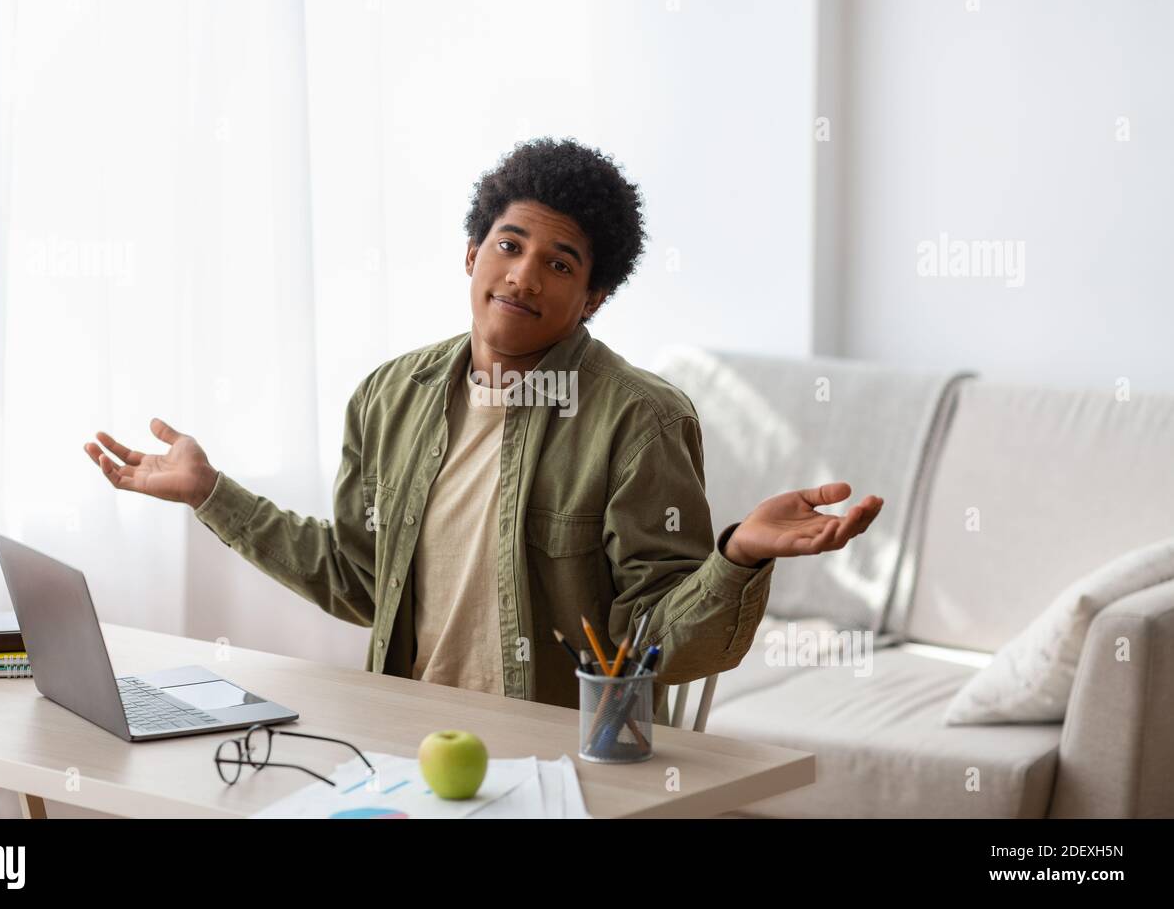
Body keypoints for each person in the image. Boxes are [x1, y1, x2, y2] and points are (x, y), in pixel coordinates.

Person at [84, 137, 883, 723]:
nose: (524, 275)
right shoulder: (388, 395)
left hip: (558, 755)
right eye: (510, 244)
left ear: (593, 298)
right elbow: (361, 581)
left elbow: (652, 644)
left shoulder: (638, 418)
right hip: (404, 741)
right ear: (471, 254)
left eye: (561, 263)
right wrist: (210, 493)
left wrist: (737, 554)